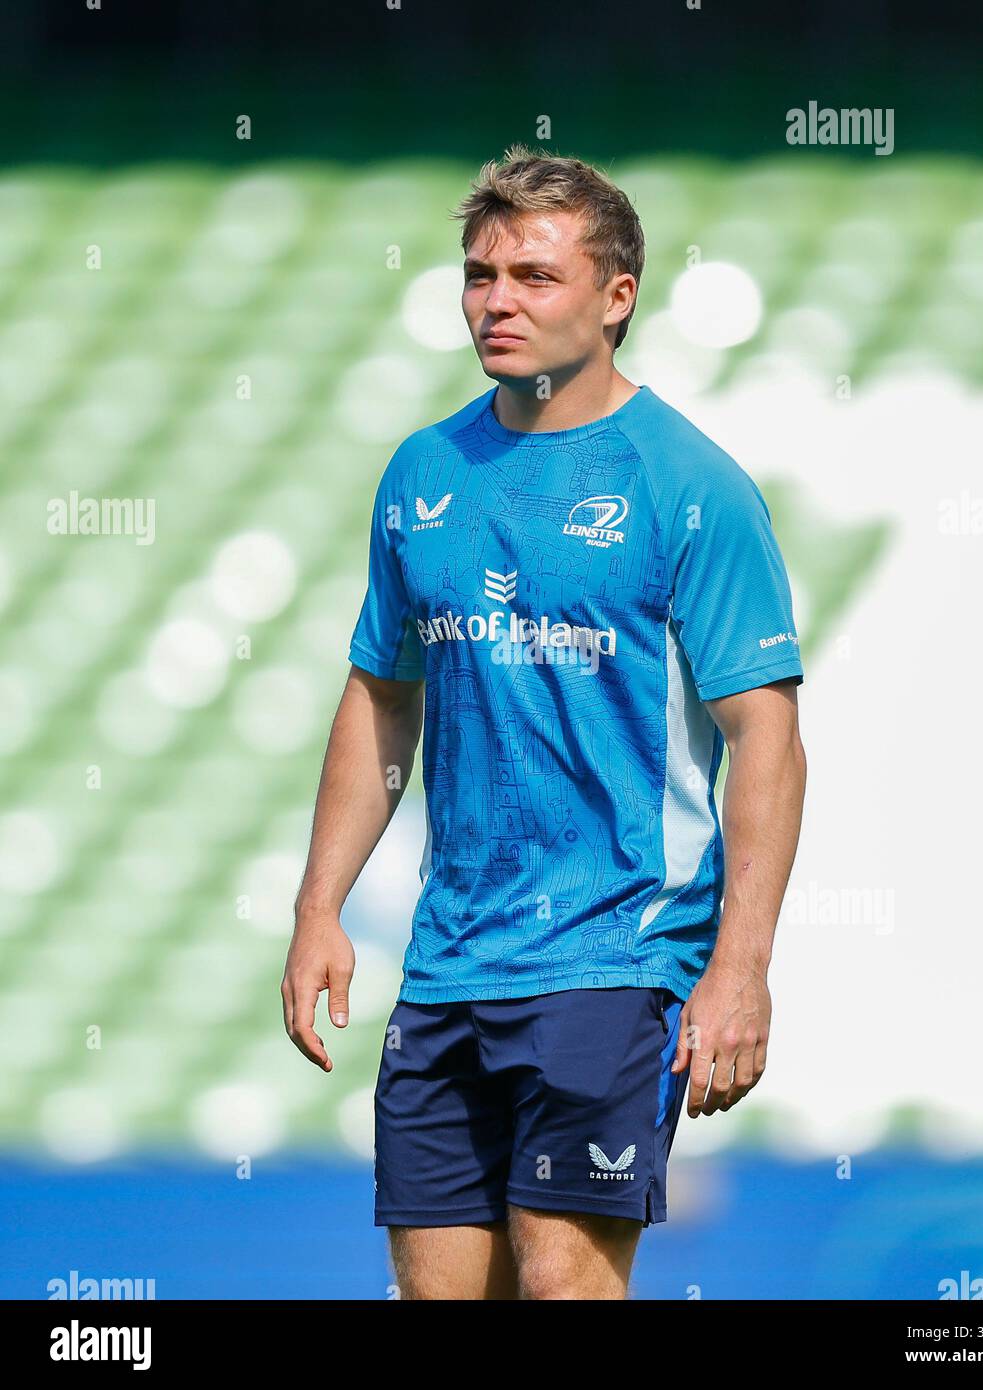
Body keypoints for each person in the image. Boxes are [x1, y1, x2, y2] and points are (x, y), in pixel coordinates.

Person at [282, 144, 807, 1300]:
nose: (495, 302)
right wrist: (320, 905)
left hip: (614, 956)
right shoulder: (424, 471)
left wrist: (741, 968)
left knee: (565, 1281)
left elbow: (766, 735)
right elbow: (382, 692)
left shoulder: (689, 485)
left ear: (616, 297)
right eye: (479, 275)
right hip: (447, 964)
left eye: (532, 275)